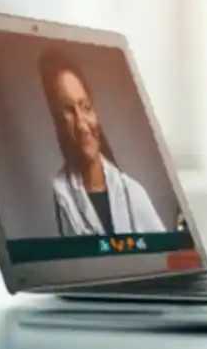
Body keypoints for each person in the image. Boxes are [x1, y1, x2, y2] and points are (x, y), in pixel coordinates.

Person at [39, 48, 166, 236]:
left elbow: (170, 258)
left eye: (86, 107)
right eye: (68, 112)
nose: (82, 126)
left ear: (95, 112)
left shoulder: (132, 192)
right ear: (57, 122)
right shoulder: (60, 193)